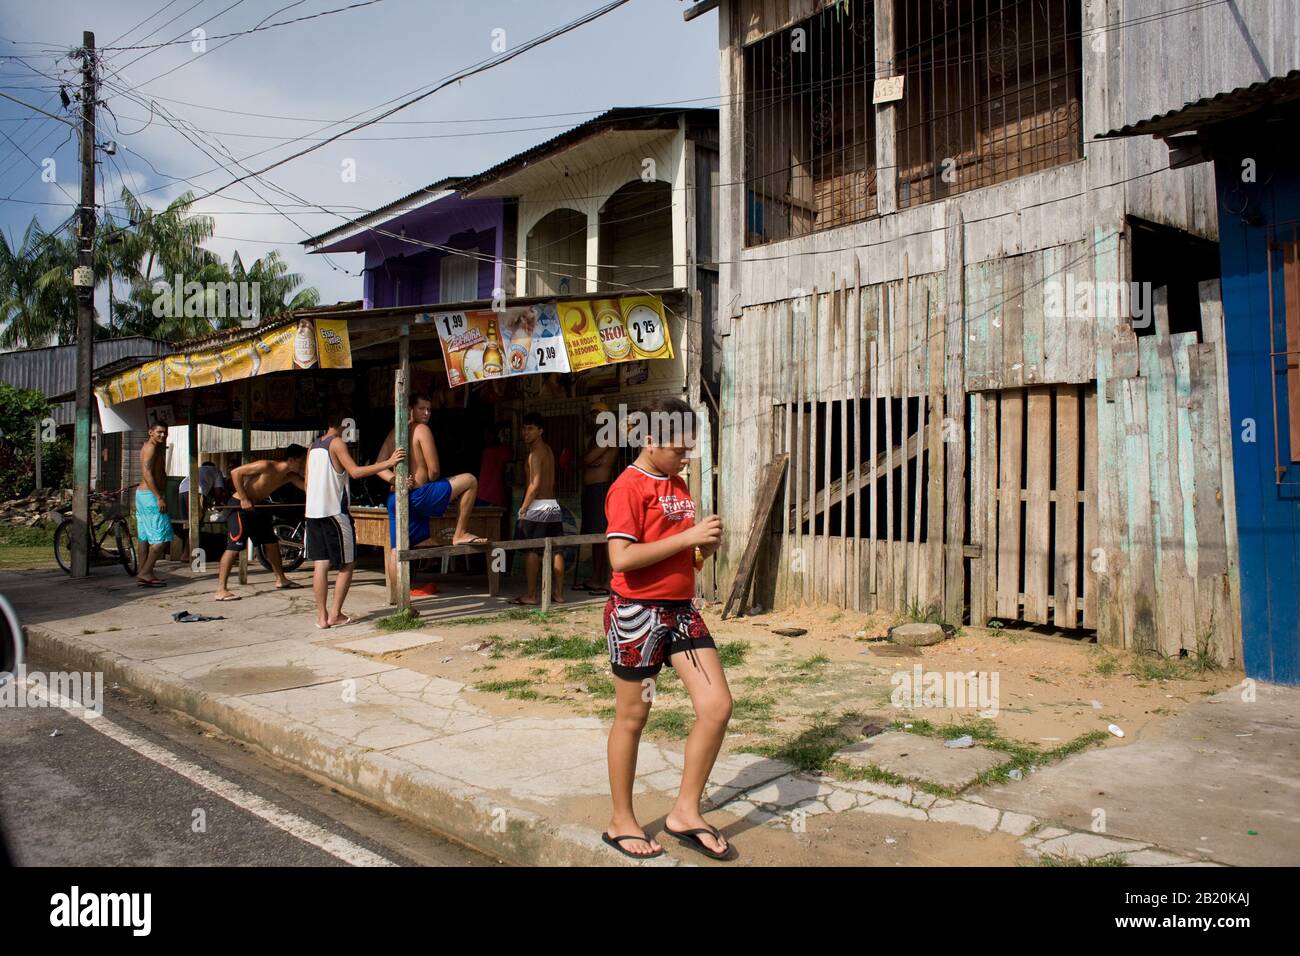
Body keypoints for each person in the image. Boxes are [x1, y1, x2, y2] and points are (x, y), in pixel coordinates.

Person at [601, 397, 729, 861]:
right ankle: (621, 820)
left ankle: (685, 813)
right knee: (634, 718)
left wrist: (702, 550)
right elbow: (621, 559)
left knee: (716, 706)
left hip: (681, 611)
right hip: (636, 614)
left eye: (689, 449)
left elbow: (683, 554)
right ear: (649, 439)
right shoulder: (627, 488)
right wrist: (687, 538)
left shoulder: (678, 486)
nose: (685, 456)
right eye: (678, 448)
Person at [376, 393, 486, 599]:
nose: (426, 413)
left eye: (429, 409)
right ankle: (459, 533)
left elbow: (379, 466)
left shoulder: (394, 433)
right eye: (422, 409)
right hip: (419, 494)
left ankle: (396, 599)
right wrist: (437, 485)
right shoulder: (421, 430)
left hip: (395, 498)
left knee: (396, 548)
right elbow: (434, 471)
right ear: (410, 409)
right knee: (470, 480)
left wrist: (395, 480)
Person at [305, 411, 405, 629]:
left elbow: (307, 483)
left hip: (312, 513)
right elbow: (356, 472)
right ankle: (335, 614)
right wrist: (388, 462)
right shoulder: (337, 443)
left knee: (320, 564)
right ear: (343, 424)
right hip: (334, 512)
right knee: (347, 563)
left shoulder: (312, 447)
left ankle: (322, 618)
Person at [214, 446, 308, 601]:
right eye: (302, 461)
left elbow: (307, 487)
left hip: (257, 507)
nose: (304, 464)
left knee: (271, 542)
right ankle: (221, 590)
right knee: (235, 545)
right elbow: (235, 473)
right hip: (240, 506)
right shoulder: (267, 465)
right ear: (291, 460)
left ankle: (281, 579)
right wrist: (244, 498)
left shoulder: (290, 476)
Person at [512, 411, 564, 606]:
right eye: (524, 428)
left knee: (531, 550)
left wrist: (523, 509)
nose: (526, 433)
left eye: (531, 429)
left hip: (538, 506)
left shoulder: (535, 453)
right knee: (556, 550)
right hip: (553, 506)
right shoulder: (548, 450)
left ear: (540, 431)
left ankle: (532, 595)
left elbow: (534, 485)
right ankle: (558, 594)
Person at [577, 402, 617, 595]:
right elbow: (586, 460)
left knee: (604, 536)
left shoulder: (609, 434)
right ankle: (596, 577)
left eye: (597, 414)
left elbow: (586, 459)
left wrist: (589, 461)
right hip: (592, 489)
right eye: (592, 414)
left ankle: (609, 581)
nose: (593, 418)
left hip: (600, 489)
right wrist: (589, 461)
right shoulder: (597, 436)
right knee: (595, 536)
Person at [135, 422, 174, 587]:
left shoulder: (152, 447)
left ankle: (143, 572)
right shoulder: (150, 448)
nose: (162, 435)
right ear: (150, 432)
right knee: (162, 537)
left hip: (143, 496)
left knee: (143, 537)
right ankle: (146, 572)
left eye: (165, 433)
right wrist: (159, 497)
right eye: (159, 432)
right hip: (150, 496)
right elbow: (147, 474)